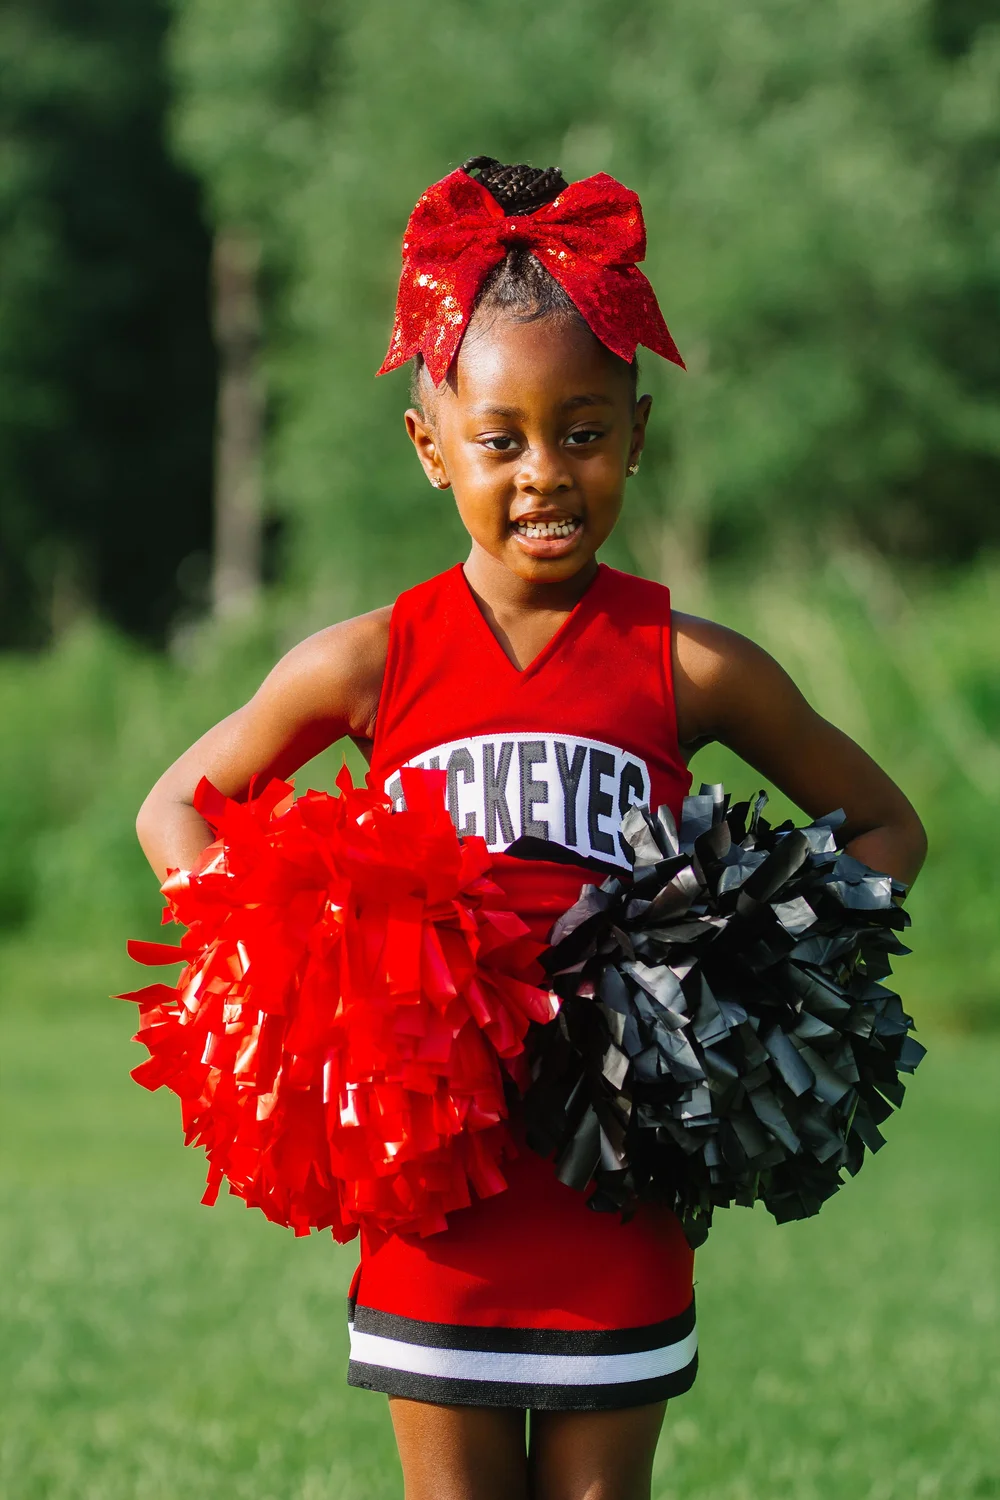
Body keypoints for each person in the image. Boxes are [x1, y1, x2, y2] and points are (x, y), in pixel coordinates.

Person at [136, 156, 927, 1500]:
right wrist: (293, 979)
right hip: (440, 1191)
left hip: (618, 1188)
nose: (545, 473)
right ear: (430, 446)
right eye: (500, 439)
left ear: (640, 428)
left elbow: (887, 828)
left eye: (586, 430)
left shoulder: (690, 663)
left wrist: (765, 986)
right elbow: (182, 809)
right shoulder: (372, 658)